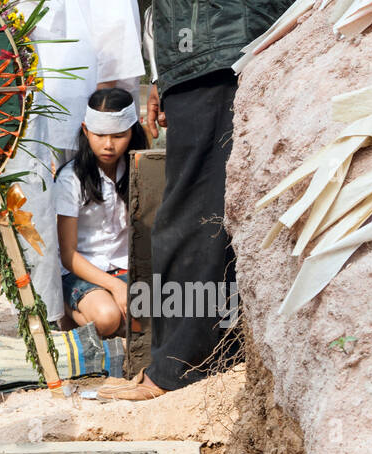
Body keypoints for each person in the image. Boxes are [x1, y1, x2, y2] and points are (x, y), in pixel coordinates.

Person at [98, 0, 289, 401]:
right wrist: (166, 77)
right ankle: (212, 360)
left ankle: (175, 370)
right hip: (206, 52)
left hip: (221, 48)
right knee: (217, 212)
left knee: (194, 215)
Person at [57, 88, 148, 339]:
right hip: (81, 271)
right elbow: (68, 255)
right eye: (99, 135)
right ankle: (67, 312)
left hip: (126, 266)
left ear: (132, 132)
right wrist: (115, 286)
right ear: (86, 131)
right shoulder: (71, 179)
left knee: (164, 310)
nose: (108, 145)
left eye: (119, 136)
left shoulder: (140, 170)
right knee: (108, 318)